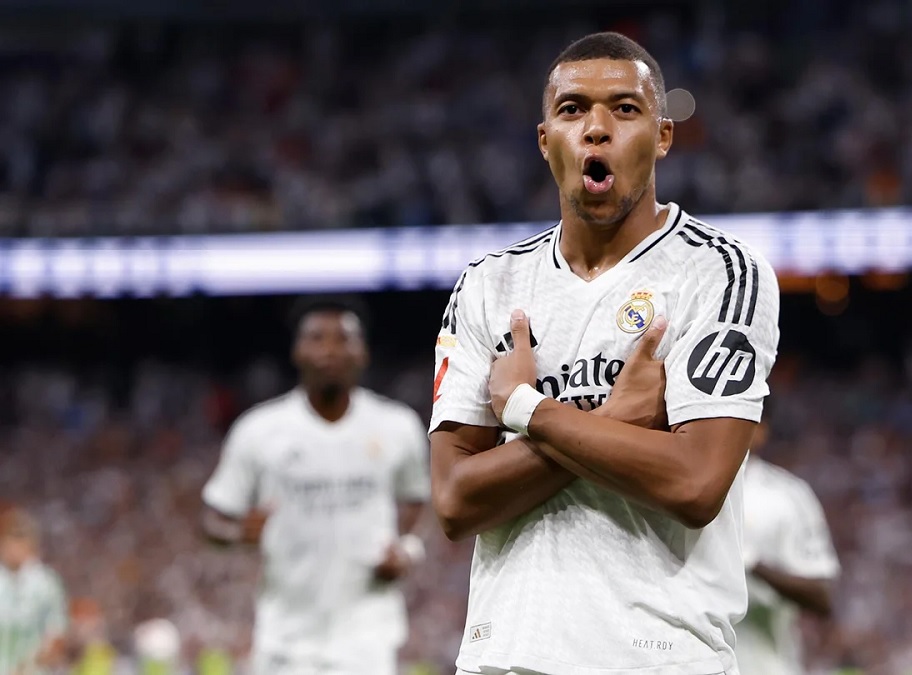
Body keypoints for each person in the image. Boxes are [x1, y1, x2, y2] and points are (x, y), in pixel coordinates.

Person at [430, 31, 780, 675]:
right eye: (572, 110)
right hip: (505, 658)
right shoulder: (488, 284)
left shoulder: (719, 273)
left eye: (624, 108)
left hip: (661, 660)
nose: (596, 128)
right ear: (545, 141)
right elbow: (454, 501)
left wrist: (529, 410)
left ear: (663, 136)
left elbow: (695, 483)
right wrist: (615, 422)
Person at [201, 296, 430, 675]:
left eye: (343, 339)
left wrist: (406, 548)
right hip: (285, 640)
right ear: (297, 351)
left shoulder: (397, 426)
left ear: (362, 352)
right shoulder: (259, 430)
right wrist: (237, 532)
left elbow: (417, 498)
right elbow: (213, 516)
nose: (330, 349)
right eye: (317, 338)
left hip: (367, 638)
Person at [737, 412, 839, 675]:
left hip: (761, 666)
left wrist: (750, 562)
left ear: (760, 429)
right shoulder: (678, 481)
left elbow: (821, 596)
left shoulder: (787, 495)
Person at [0, 507, 68, 675]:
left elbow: (57, 633)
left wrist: (30, 666)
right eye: (8, 540)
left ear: (30, 544)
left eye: (19, 539)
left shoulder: (46, 583)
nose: (12, 548)